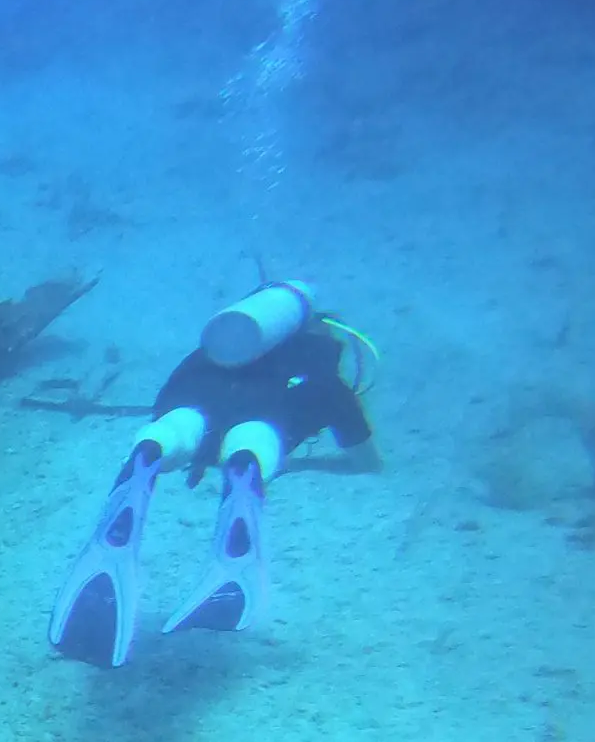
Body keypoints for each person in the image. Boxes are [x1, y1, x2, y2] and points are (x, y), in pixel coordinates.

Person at [49, 281, 378, 668]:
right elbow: (366, 463)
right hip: (269, 413)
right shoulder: (323, 374)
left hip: (196, 393)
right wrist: (304, 460)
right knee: (255, 439)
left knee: (176, 430)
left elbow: (167, 397)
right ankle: (246, 467)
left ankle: (151, 452)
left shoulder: (214, 351)